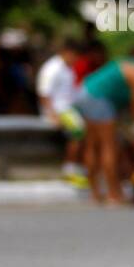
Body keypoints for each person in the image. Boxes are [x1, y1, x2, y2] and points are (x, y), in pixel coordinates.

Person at [71, 55, 134, 205]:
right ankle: (113, 194)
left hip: (85, 91)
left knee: (92, 146)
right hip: (99, 99)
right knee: (109, 147)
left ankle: (95, 194)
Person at [36, 42, 86, 186]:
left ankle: (78, 167)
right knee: (79, 130)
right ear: (67, 52)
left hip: (68, 108)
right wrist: (52, 114)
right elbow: (43, 92)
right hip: (58, 110)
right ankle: (69, 169)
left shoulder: (67, 68)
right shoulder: (52, 68)